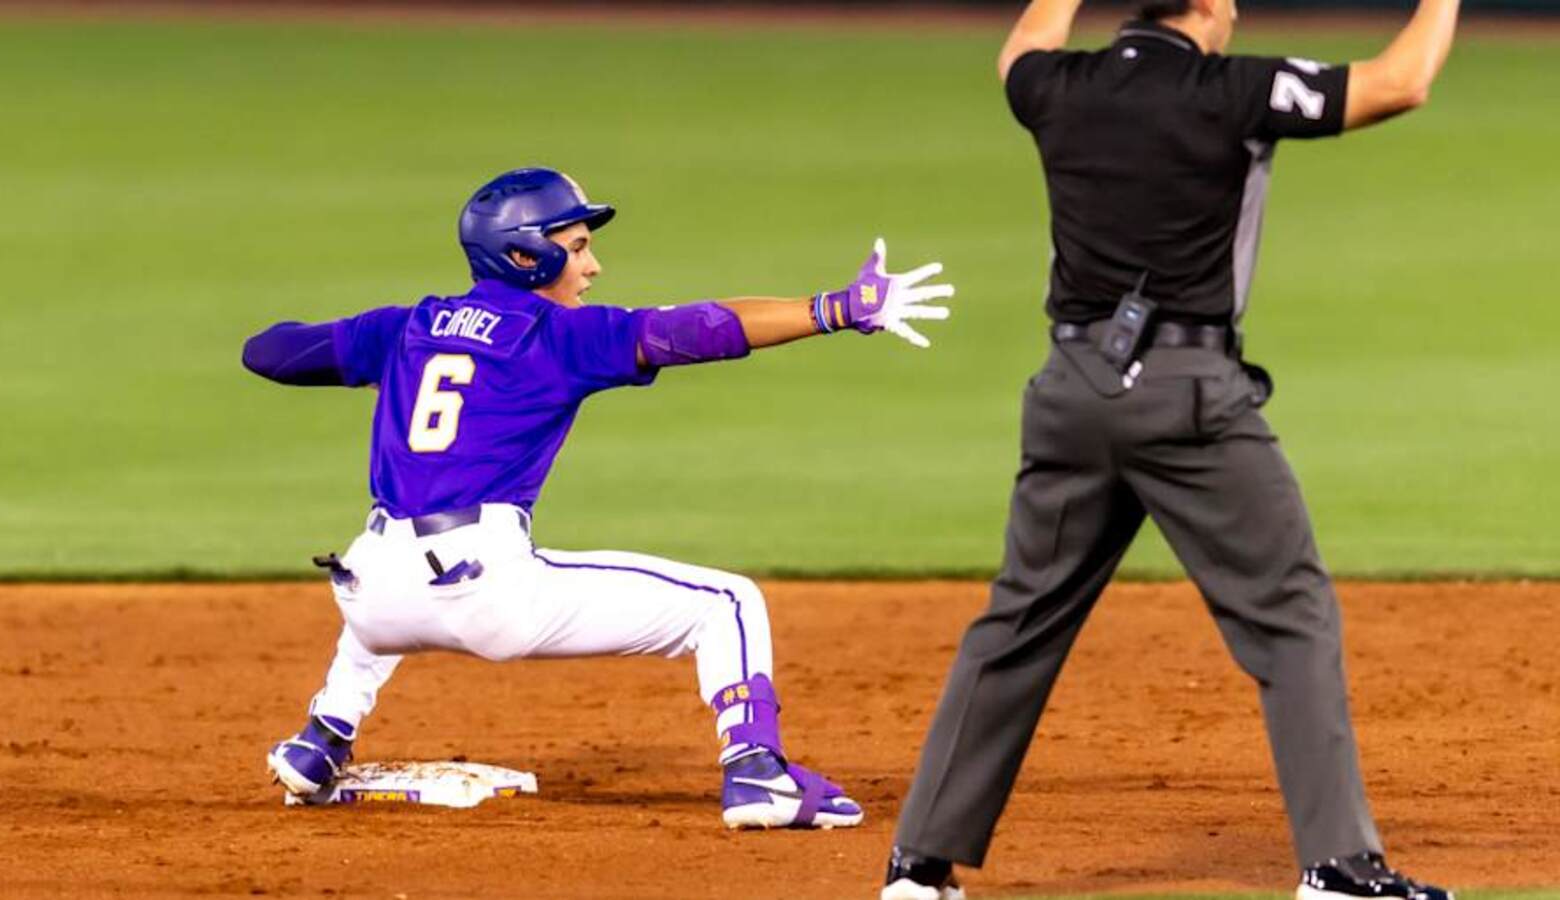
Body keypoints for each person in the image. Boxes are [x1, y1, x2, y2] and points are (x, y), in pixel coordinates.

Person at [881, 0, 1460, 896]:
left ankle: (919, 865)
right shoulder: (1235, 88)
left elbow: (1019, 51)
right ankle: (1338, 868)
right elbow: (1402, 82)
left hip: (1068, 397)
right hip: (1190, 401)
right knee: (1290, 612)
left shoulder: (1060, 86)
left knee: (1019, 621)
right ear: (1214, 8)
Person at [242, 166, 953, 830]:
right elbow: (699, 329)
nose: (592, 265)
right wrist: (834, 309)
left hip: (369, 594)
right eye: (576, 247)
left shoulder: (403, 328)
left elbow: (267, 352)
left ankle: (321, 740)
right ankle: (758, 772)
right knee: (726, 603)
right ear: (529, 258)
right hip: (484, 593)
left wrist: (376, 359)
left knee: (385, 566)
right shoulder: (561, 336)